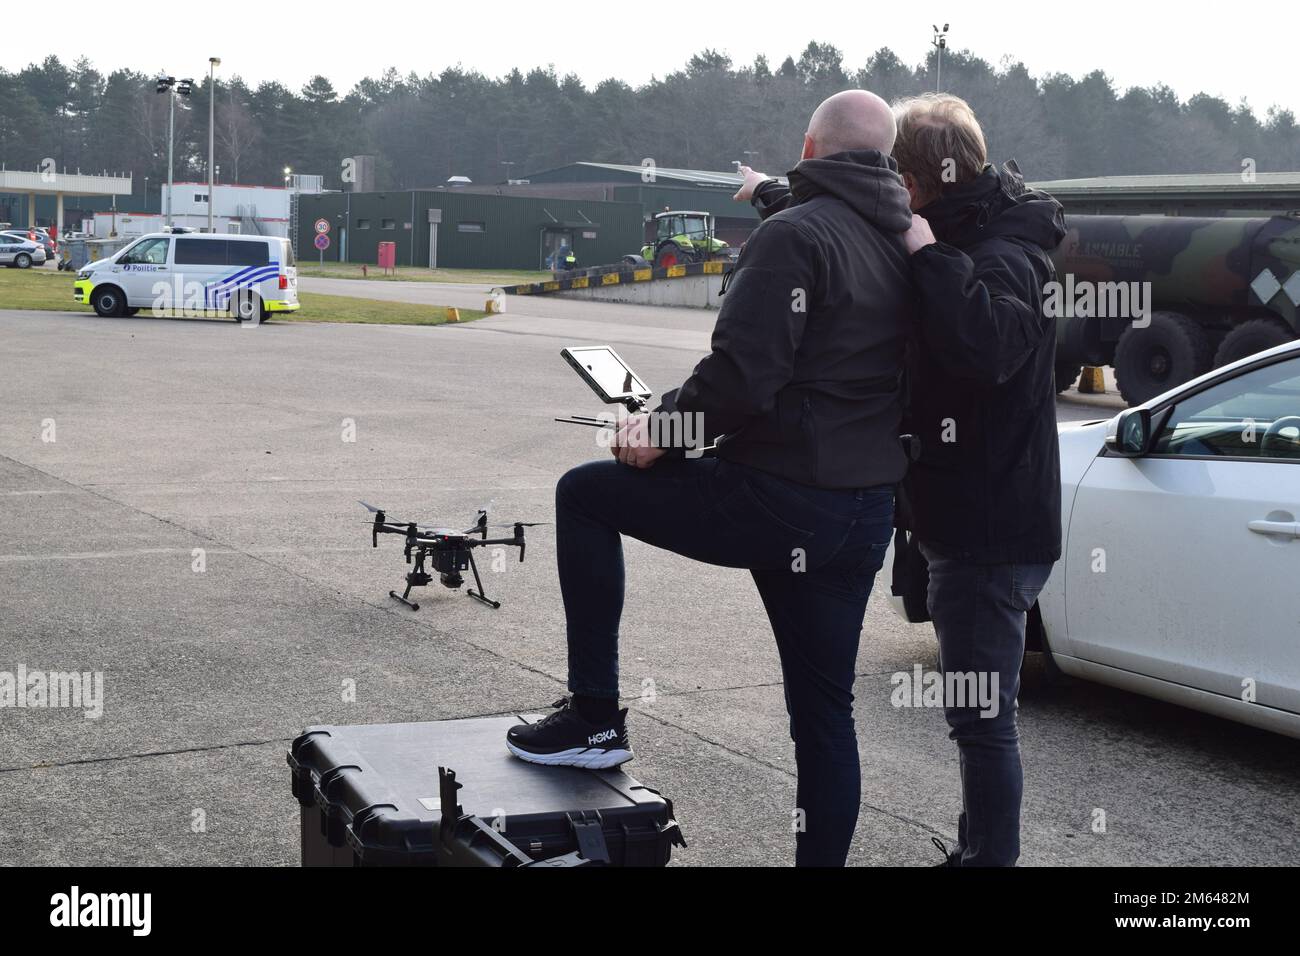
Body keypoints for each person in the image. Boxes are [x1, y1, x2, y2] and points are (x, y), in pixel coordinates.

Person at [506, 89, 917, 866]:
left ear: (810, 142)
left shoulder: (795, 235)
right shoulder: (906, 238)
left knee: (584, 495)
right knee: (827, 717)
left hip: (779, 498)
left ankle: (594, 716)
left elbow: (742, 376)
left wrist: (659, 431)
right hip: (863, 511)